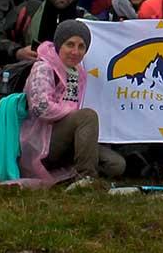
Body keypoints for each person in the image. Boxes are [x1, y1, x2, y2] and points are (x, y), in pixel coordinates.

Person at [10, 19, 123, 186]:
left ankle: (69, 176)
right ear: (58, 45)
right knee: (87, 116)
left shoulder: (76, 72)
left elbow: (72, 107)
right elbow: (41, 108)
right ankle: (86, 178)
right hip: (41, 141)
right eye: (70, 44)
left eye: (81, 46)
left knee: (117, 165)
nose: (75, 51)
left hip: (64, 139)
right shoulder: (43, 68)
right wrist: (74, 116)